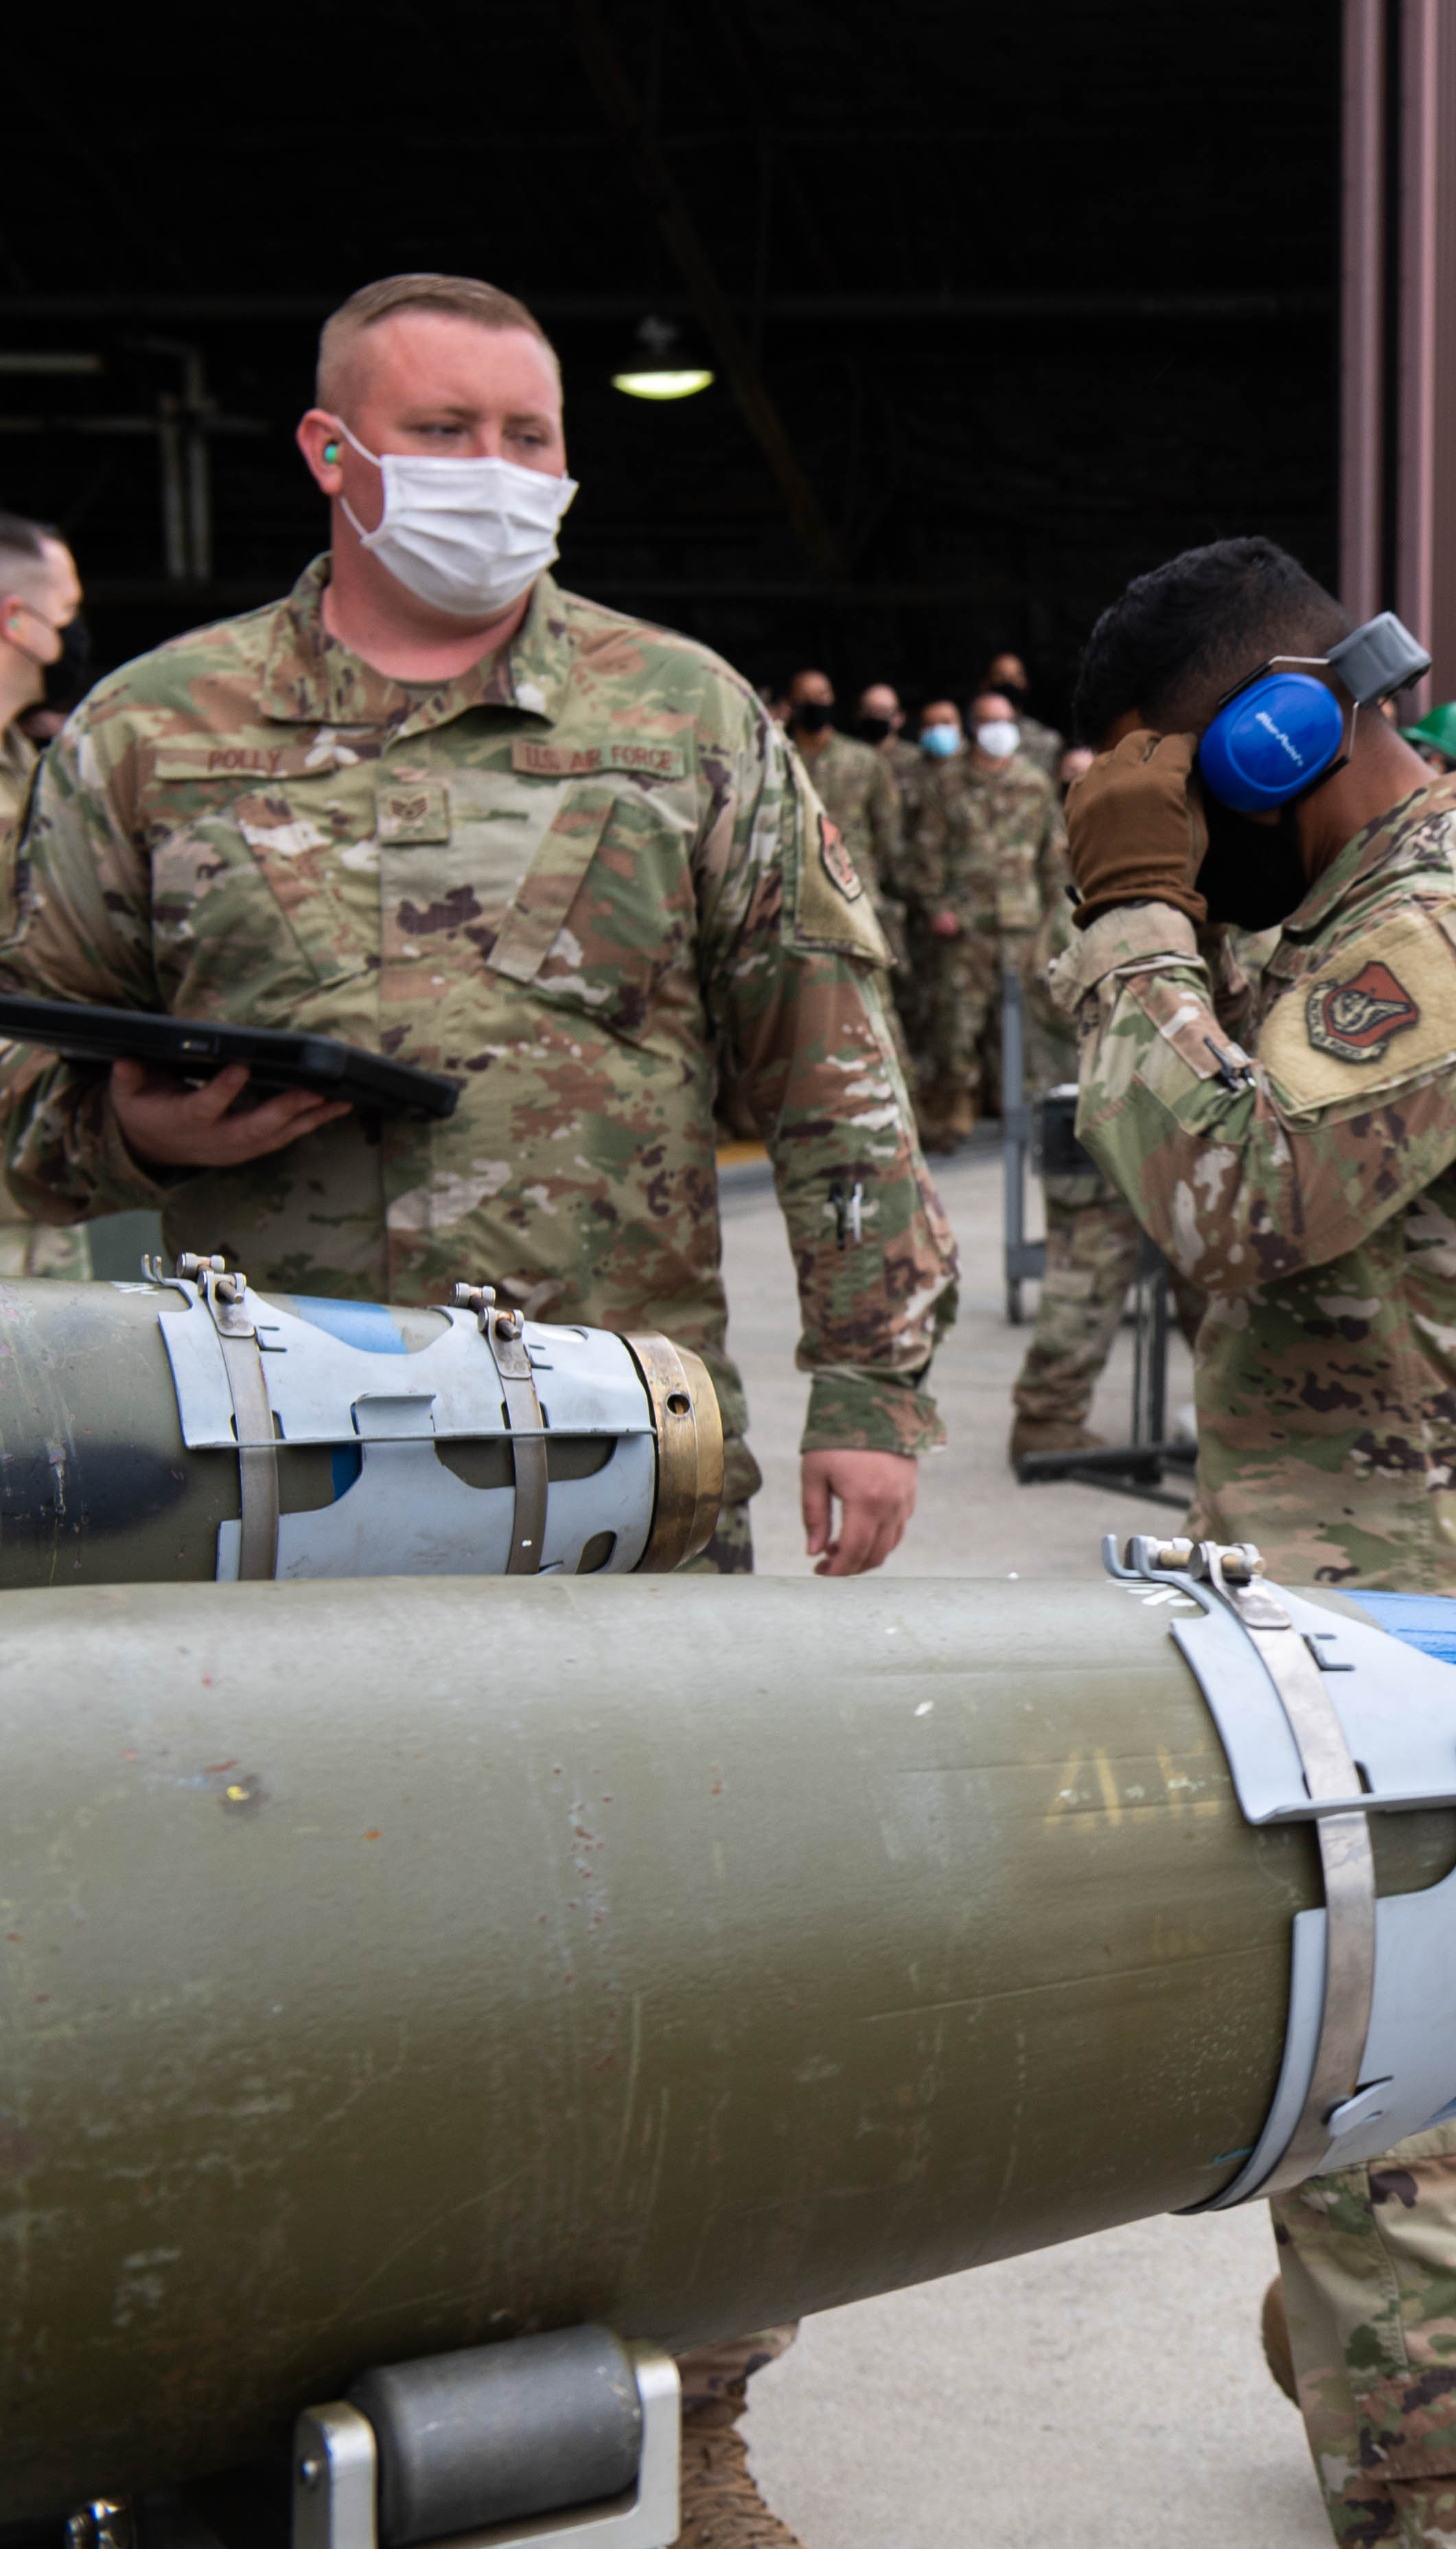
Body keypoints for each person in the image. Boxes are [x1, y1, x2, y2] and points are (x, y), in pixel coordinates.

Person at [0, 273, 951, 2549]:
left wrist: (868, 1385)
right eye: (454, 428)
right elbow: (29, 1111)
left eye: (536, 434)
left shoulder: (679, 716)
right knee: (279, 1942)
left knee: (693, 1943)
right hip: (273, 1491)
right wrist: (143, 1148)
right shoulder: (151, 734)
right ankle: (258, 2395)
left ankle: (700, 2409)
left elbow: (829, 1058)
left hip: (635, 1468)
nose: (507, 470)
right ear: (334, 459)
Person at [1054, 536, 1456, 2548]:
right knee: (1359, 2078)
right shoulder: (1359, 909)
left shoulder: (1449, 929)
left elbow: (1229, 1198)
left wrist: (1134, 920)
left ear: (1278, 732)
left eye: (1161, 786)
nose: (1153, 836)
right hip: (1356, 1596)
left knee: (1413, 2103)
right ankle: (1369, 2354)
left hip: (1444, 1625)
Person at [1008, 740, 1200, 1460]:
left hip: (1152, 1125)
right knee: (1086, 1283)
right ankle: (1047, 1420)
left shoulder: (1126, 906)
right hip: (1101, 1126)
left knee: (1202, 1286)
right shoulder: (1091, 918)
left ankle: (1226, 1415)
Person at [892, 687, 1057, 1139]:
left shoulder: (1034, 782)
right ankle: (955, 1106)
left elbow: (1052, 855)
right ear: (973, 728)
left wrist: (1054, 916)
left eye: (1005, 721)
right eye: (989, 722)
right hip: (965, 925)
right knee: (958, 1020)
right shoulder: (946, 784)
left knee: (1021, 1021)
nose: (999, 731)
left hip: (1021, 922)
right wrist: (937, 907)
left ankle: (1015, 1104)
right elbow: (925, 853)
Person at [0, 511, 92, 1278]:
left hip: (31, 1186)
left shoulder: (33, 765)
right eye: (66, 615)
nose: (75, 637)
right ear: (15, 621)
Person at [782, 665, 903, 904]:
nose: (815, 703)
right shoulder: (778, 759)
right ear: (790, 703)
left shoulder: (864, 760)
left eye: (821, 695)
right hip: (793, 885)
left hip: (854, 884)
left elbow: (887, 828)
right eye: (805, 697)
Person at [981, 647, 1064, 777]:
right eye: (1001, 675)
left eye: (1016, 676)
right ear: (986, 683)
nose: (1009, 682)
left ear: (1025, 682)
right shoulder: (973, 739)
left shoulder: (1046, 741)